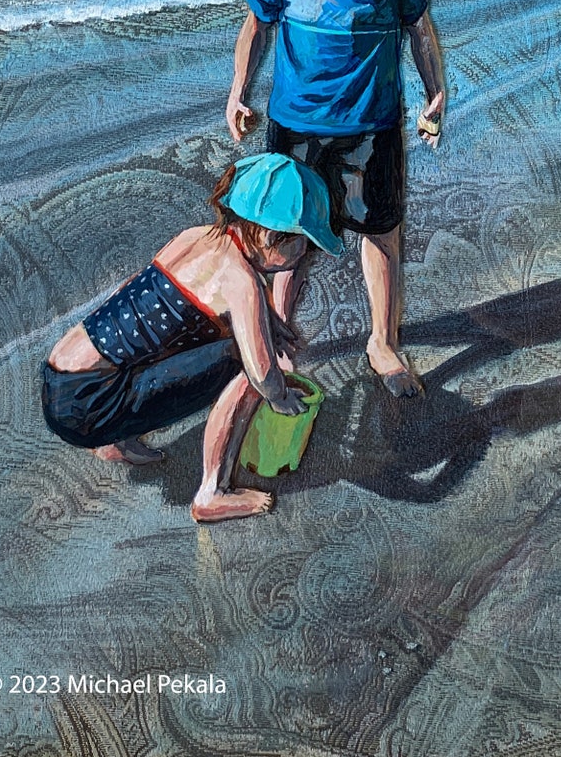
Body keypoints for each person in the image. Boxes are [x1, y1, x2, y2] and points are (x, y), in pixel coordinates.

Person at [225, 0, 445, 398]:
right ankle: (277, 338)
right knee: (284, 234)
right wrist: (237, 92)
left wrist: (435, 89)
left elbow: (420, 27)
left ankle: (382, 341)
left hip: (373, 124)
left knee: (381, 231)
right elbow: (257, 26)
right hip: (296, 123)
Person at [41, 153, 343, 523]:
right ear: (268, 235)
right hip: (92, 405)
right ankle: (213, 492)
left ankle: (113, 442)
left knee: (158, 344)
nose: (305, 254)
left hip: (61, 384)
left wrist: (264, 321)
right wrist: (280, 398)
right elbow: (262, 372)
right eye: (303, 243)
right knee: (243, 366)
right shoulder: (241, 282)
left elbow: (149, 320)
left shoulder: (194, 238)